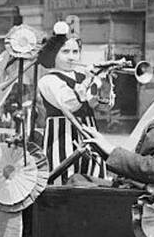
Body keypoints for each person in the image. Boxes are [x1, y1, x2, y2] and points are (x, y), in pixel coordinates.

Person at [35, 22, 110, 183]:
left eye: (75, 52)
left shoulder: (83, 77)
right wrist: (89, 79)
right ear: (53, 54)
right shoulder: (48, 80)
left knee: (93, 179)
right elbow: (69, 104)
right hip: (62, 138)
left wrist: (104, 84)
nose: (71, 57)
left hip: (89, 135)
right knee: (64, 178)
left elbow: (100, 106)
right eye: (65, 51)